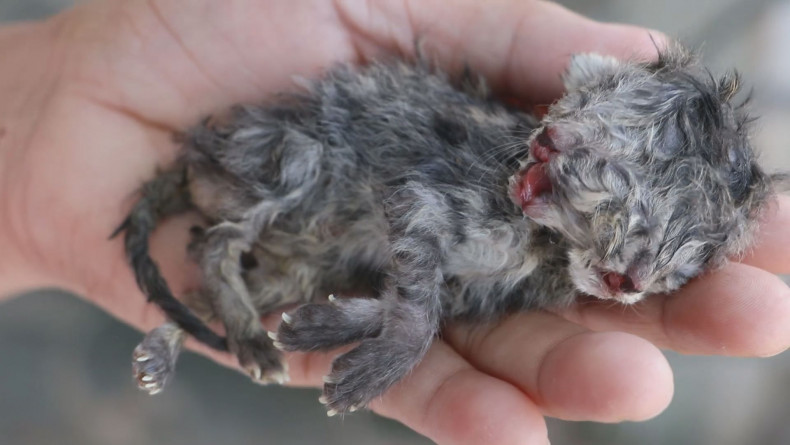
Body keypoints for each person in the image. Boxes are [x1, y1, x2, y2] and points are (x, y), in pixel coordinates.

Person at [0, 1, 788, 443]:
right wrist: (406, 322)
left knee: (294, 272)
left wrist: (393, 307)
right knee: (276, 212)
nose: (528, 180)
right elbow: (419, 209)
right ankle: (199, 308)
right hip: (318, 152)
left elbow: (440, 262)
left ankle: (182, 325)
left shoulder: (547, 260)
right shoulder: (517, 201)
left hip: (333, 231)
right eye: (548, 148)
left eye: (632, 277)